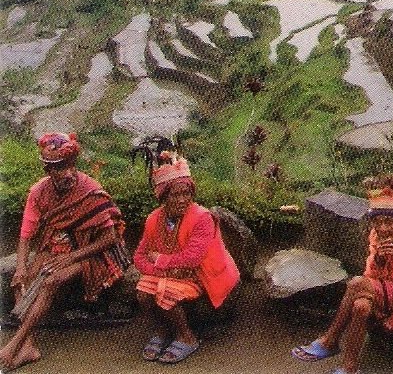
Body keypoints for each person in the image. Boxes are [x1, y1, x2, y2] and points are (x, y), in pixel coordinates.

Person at [291, 173, 393, 374]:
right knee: (360, 306)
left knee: (356, 284)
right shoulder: (376, 235)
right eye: (377, 221)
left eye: (389, 222)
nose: (382, 228)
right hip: (386, 292)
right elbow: (371, 276)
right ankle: (350, 368)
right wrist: (380, 259)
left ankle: (329, 341)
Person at [0, 132, 129, 371]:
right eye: (60, 168)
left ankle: (15, 343)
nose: (68, 173)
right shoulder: (39, 192)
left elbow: (110, 238)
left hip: (92, 251)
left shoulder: (90, 189)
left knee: (51, 281)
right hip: (58, 246)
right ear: (48, 170)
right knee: (23, 281)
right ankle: (29, 346)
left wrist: (71, 257)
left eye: (71, 165)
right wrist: (20, 268)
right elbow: (26, 234)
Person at [131, 144, 239, 364]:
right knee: (143, 292)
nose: (182, 200)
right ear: (163, 196)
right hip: (170, 273)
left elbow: (193, 258)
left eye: (186, 193)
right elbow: (140, 256)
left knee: (166, 293)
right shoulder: (154, 219)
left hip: (200, 274)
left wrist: (160, 260)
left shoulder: (202, 218)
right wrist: (159, 270)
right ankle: (162, 329)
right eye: (175, 194)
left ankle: (186, 336)